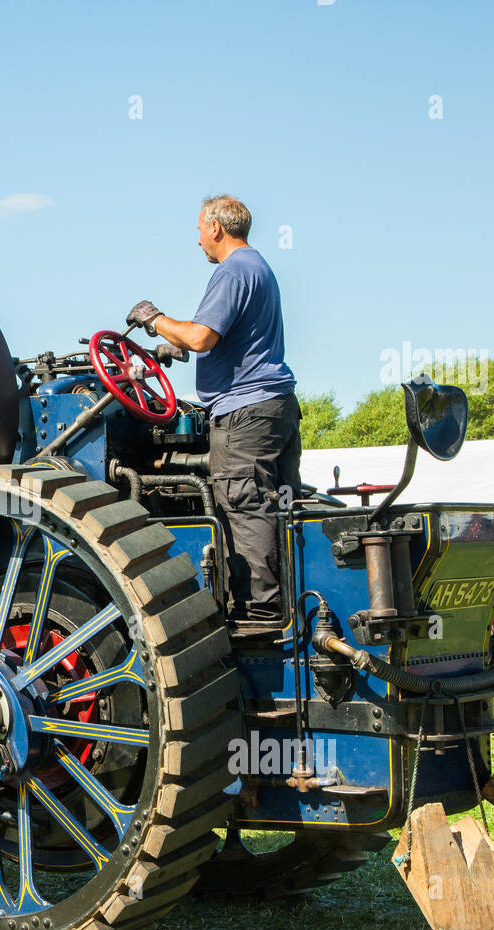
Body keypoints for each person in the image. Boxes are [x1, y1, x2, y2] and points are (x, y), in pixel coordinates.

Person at [126, 194, 300, 626]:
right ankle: (289, 604)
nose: (197, 239)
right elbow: (223, 341)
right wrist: (174, 345)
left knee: (243, 503)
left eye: (199, 229)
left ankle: (260, 613)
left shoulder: (232, 270)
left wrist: (154, 319)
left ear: (216, 228)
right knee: (279, 502)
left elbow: (202, 337)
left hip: (244, 413)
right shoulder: (258, 267)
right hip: (275, 407)